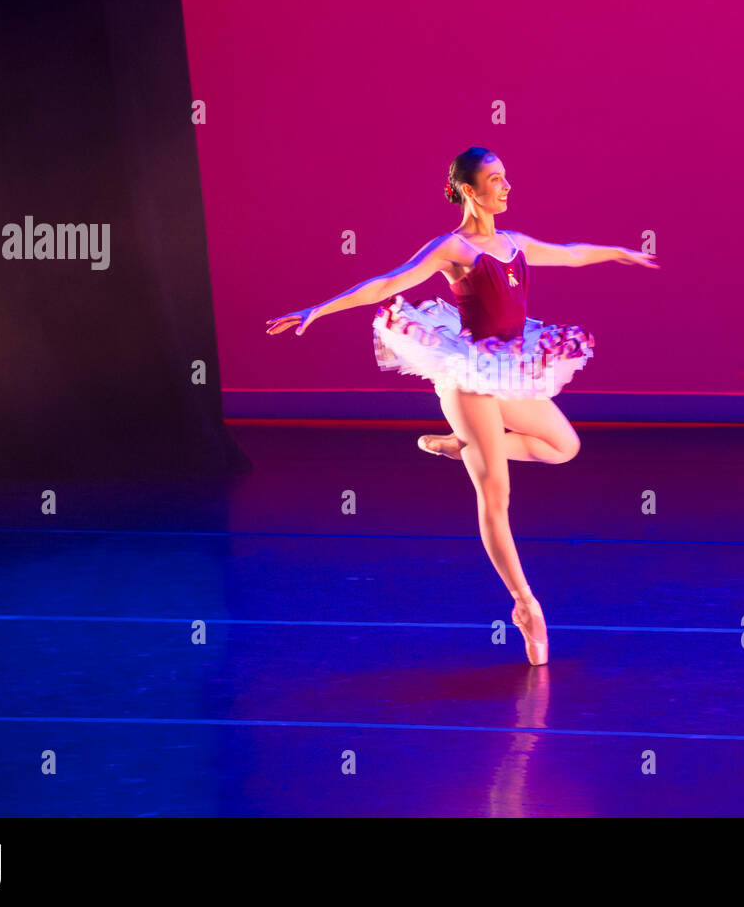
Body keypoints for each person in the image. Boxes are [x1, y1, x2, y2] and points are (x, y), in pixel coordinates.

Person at [267, 147, 660, 664]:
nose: (507, 186)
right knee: (497, 493)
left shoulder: (514, 243)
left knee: (564, 447)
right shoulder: (452, 248)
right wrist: (320, 308)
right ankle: (526, 607)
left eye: (506, 177)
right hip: (471, 376)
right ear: (470, 190)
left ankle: (464, 444)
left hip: (511, 370)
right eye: (496, 179)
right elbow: (387, 283)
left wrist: (615, 252)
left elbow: (568, 252)